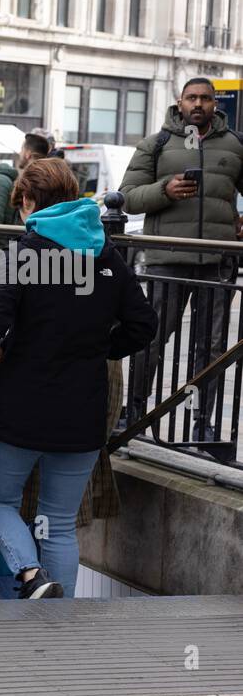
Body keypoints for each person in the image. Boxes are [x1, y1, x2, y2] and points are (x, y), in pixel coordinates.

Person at [0, 159, 157, 598]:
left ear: (29, 202)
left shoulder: (25, 254)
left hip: (21, 406)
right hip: (82, 412)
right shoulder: (105, 253)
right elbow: (144, 324)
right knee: (57, 523)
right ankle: (58, 624)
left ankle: (30, 574)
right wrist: (99, 349)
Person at [120, 78, 243, 442]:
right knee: (152, 339)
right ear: (180, 102)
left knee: (213, 347)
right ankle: (135, 412)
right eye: (192, 98)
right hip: (167, 259)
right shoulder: (155, 144)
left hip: (218, 263)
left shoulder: (235, 145)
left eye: (206, 98)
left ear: (215, 103)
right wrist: (165, 190)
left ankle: (202, 423)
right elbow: (126, 197)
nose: (199, 104)